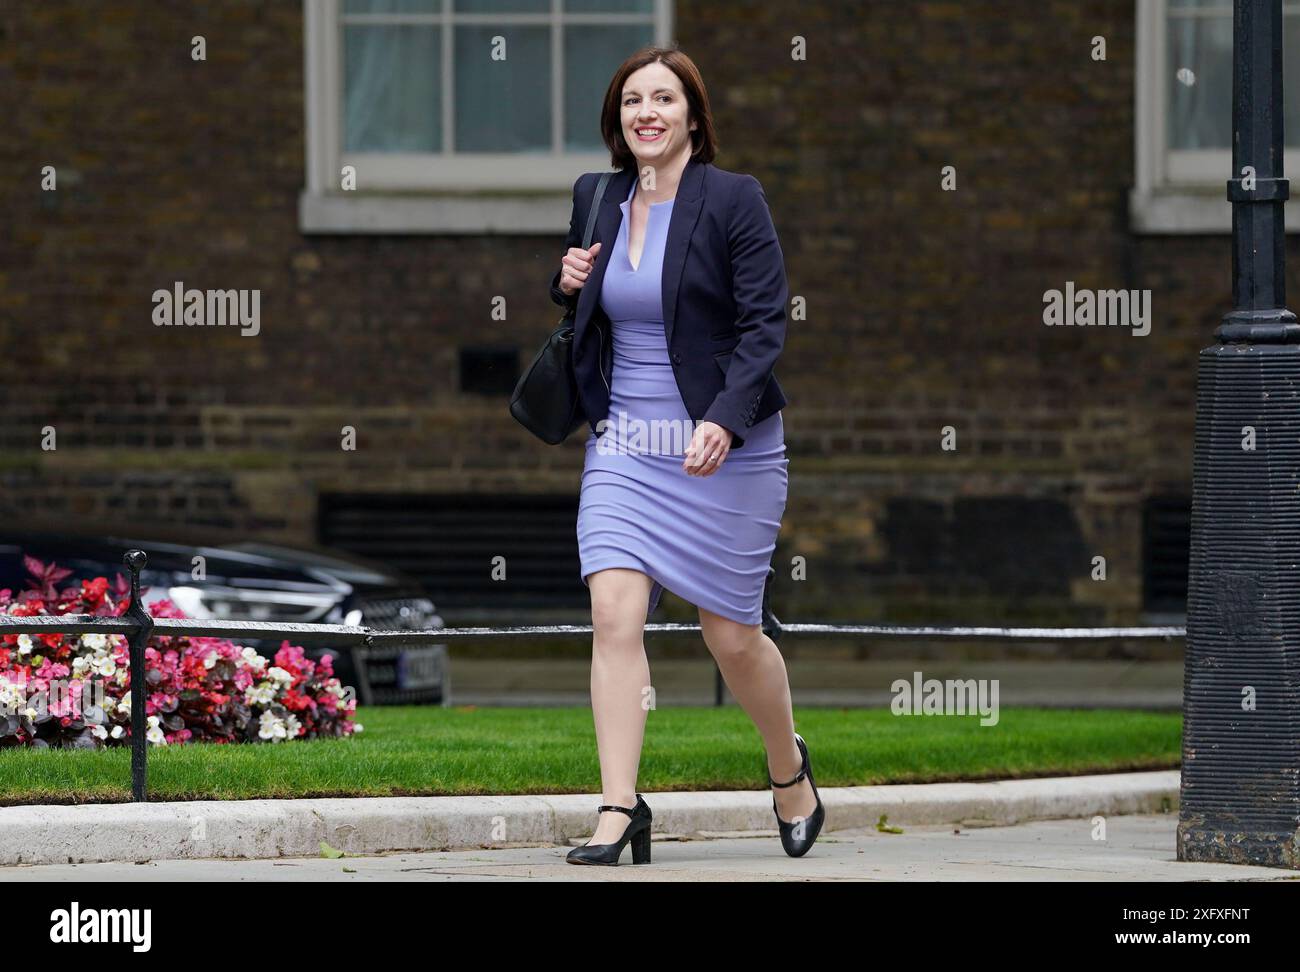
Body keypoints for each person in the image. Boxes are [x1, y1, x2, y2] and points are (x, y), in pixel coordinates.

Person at [548, 45, 825, 865]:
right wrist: (565, 282)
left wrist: (724, 420)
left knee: (730, 636)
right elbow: (590, 309)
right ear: (618, 120)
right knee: (614, 615)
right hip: (627, 445)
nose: (647, 112)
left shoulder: (735, 200)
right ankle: (617, 807)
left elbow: (764, 323)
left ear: (693, 118)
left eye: (663, 98)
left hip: (723, 449)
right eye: (633, 100)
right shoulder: (597, 198)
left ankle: (788, 770)